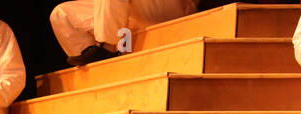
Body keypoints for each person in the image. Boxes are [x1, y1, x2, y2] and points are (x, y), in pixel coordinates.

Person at [49, 0, 196, 66]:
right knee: (61, 14)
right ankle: (97, 68)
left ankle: (108, 48)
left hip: (168, 7)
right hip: (131, 12)